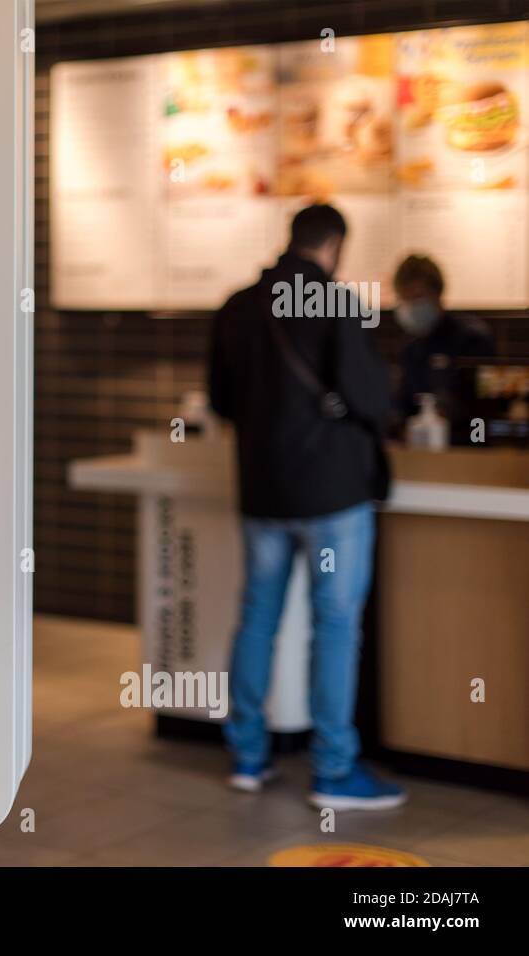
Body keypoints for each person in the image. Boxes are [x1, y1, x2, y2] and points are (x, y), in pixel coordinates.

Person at [208, 203, 406, 810]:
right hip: (332, 497)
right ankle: (334, 771)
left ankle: (247, 756)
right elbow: (372, 397)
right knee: (335, 626)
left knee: (258, 617)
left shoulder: (237, 306)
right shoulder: (336, 304)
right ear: (335, 246)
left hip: (262, 492)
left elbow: (220, 401)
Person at [392, 253, 496, 430]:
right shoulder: (408, 348)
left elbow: (488, 407)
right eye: (404, 299)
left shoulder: (472, 338)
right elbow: (403, 406)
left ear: (437, 295)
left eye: (417, 297)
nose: (411, 306)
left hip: (467, 447)